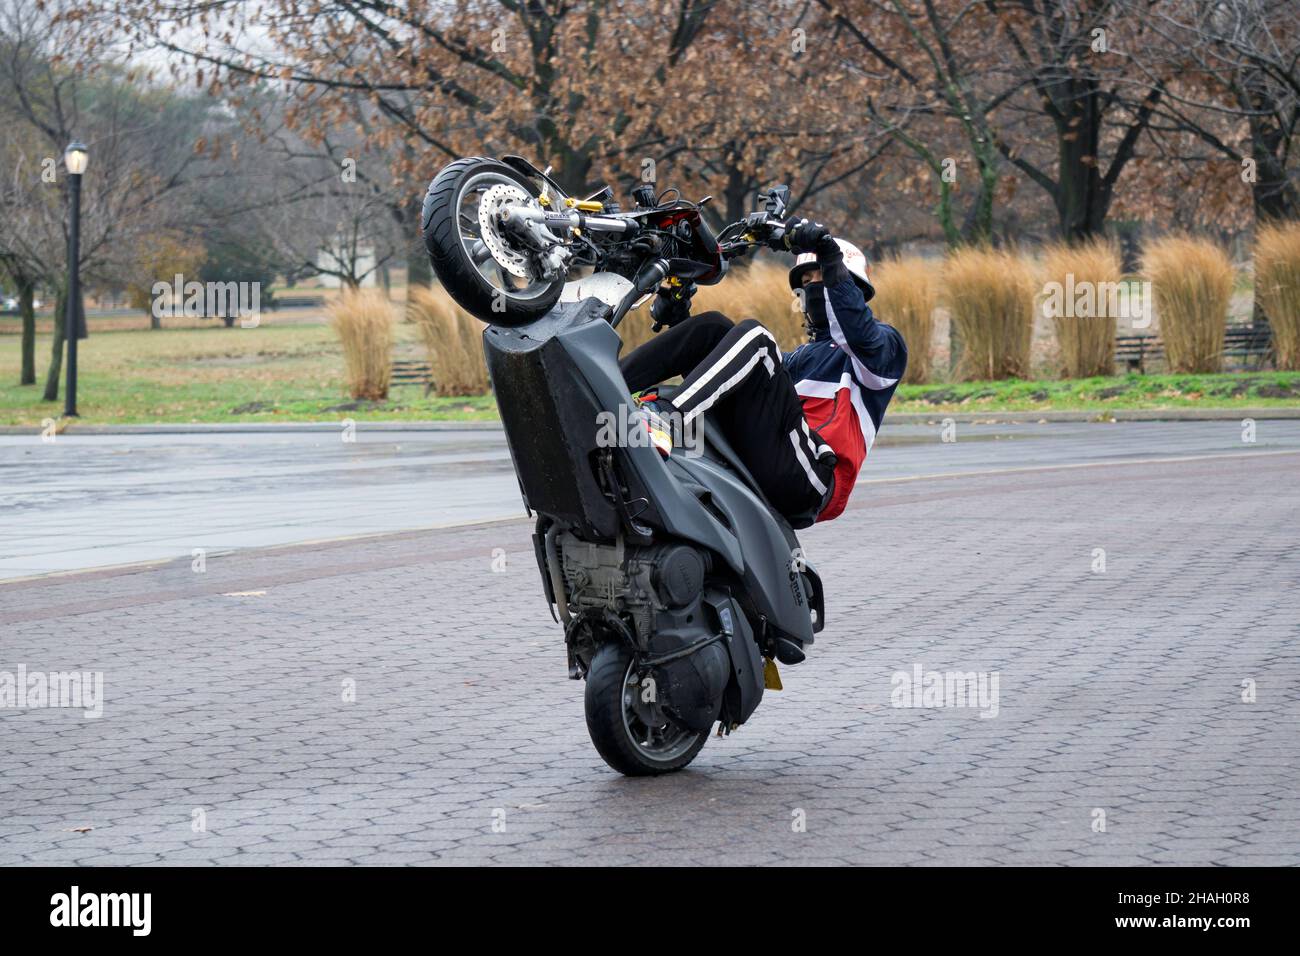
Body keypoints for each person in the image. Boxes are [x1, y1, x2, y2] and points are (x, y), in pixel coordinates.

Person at [619, 218, 907, 526]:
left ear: (852, 287)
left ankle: (664, 420)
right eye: (806, 282)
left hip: (812, 480)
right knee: (713, 328)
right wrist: (679, 319)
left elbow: (856, 331)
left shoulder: (884, 347)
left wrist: (827, 251)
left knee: (758, 339)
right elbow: (739, 381)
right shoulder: (803, 356)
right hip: (775, 454)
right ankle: (604, 384)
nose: (811, 287)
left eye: (821, 276)